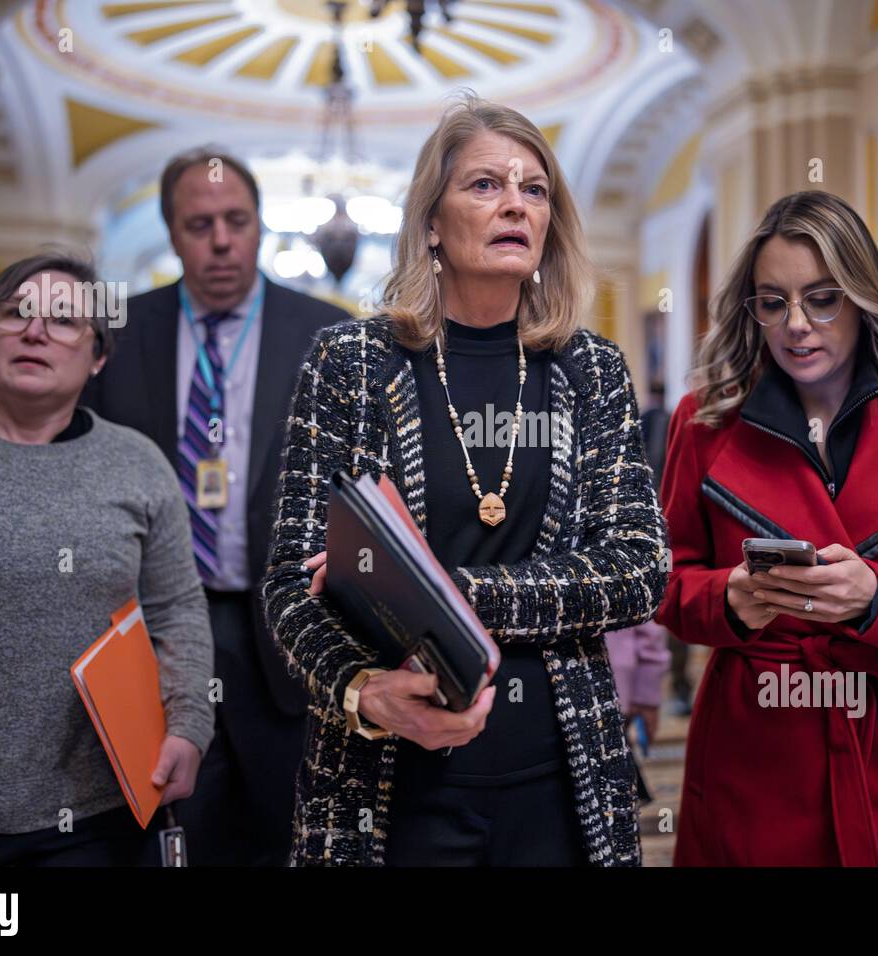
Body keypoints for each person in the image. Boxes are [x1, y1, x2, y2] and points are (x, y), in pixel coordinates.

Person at [263, 94, 668, 866]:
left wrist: (445, 596)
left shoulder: (592, 371)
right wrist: (360, 691)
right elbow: (291, 583)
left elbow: (638, 574)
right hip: (387, 781)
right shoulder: (349, 364)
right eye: (485, 185)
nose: (514, 202)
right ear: (431, 222)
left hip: (558, 779)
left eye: (534, 189)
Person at [657, 191, 878, 866]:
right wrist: (727, 598)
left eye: (823, 299)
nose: (796, 326)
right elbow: (665, 586)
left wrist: (877, 598)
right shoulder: (704, 422)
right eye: (772, 301)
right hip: (756, 748)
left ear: (863, 298)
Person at [0, 253, 213, 865]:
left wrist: (188, 723)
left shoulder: (137, 464)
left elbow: (177, 612)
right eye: (16, 314)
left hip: (89, 822)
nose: (34, 331)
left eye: (63, 321)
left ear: (97, 355)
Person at [81, 147, 347, 866]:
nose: (221, 240)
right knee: (170, 835)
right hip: (157, 632)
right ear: (172, 233)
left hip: (286, 633)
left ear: (260, 225)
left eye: (237, 220)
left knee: (283, 835)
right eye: (200, 224)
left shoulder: (328, 334)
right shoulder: (119, 334)